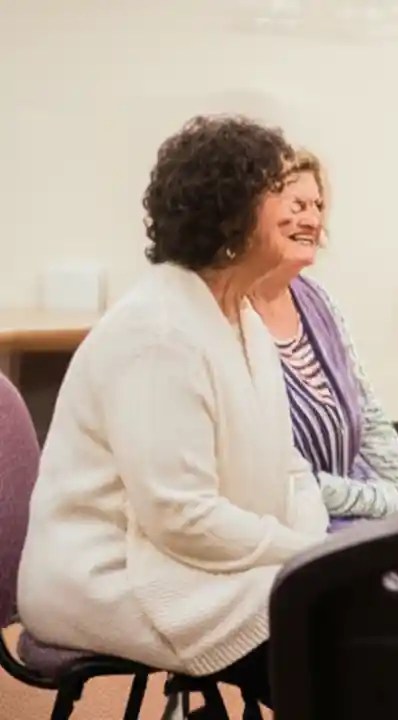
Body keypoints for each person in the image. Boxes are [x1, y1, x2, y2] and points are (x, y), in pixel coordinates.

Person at [17, 116, 331, 707]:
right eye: (277, 192)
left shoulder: (241, 318)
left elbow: (291, 467)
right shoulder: (157, 332)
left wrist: (309, 548)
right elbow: (182, 517)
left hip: (192, 558)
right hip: (117, 578)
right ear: (233, 213)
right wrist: (305, 556)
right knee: (326, 641)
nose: (297, 210)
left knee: (339, 618)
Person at [247, 149, 398, 529]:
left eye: (318, 205)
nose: (312, 219)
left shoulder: (317, 300)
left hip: (356, 490)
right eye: (297, 205)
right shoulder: (233, 318)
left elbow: (368, 414)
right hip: (292, 517)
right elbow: (287, 482)